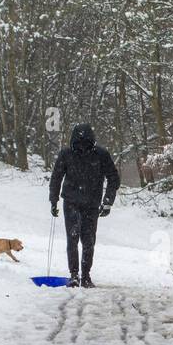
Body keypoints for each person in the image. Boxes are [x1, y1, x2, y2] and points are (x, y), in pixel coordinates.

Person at [48, 123, 120, 288]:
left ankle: (85, 275)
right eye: (78, 143)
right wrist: (53, 199)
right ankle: (74, 275)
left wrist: (108, 202)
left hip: (92, 204)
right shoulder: (66, 154)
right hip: (71, 202)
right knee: (72, 238)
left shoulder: (101, 155)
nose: (82, 147)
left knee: (88, 240)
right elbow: (56, 177)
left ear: (91, 142)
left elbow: (113, 178)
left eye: (85, 143)